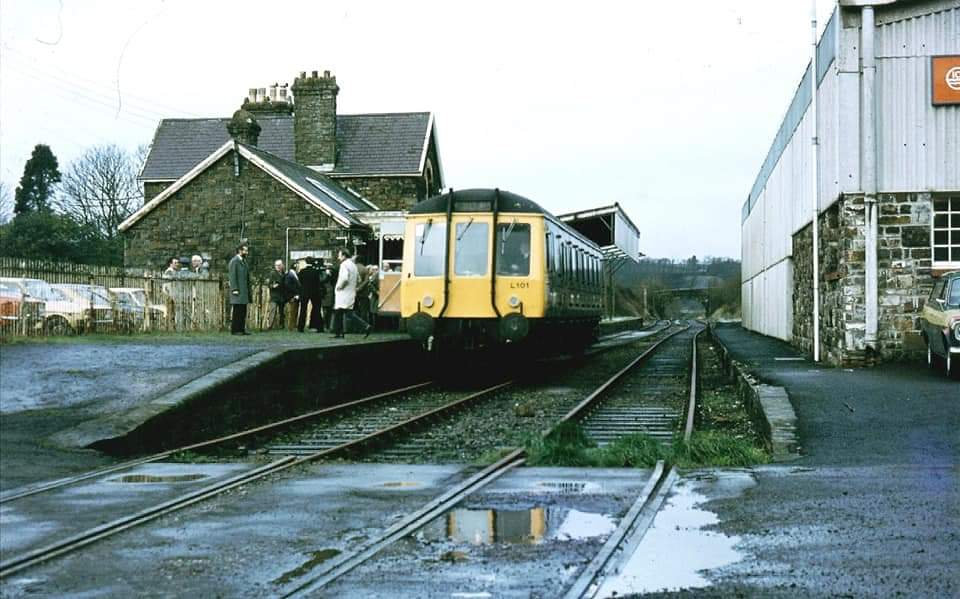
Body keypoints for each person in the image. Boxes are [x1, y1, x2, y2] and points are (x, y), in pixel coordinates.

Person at [331, 247, 371, 339]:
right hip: (351, 292)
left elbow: (344, 278)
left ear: (344, 255)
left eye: (339, 255)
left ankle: (340, 333)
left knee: (341, 312)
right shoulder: (353, 265)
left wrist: (340, 286)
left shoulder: (344, 265)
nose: (338, 257)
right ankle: (340, 333)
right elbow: (359, 279)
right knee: (345, 313)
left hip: (343, 293)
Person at [228, 244, 251, 335]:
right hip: (238, 291)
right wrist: (234, 289)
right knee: (237, 311)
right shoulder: (234, 261)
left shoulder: (244, 262)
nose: (247, 252)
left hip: (243, 291)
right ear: (240, 251)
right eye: (245, 250)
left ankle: (241, 329)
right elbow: (232, 276)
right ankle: (235, 330)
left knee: (243, 311)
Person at [297, 257, 322, 332]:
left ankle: (300, 327)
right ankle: (318, 326)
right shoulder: (315, 272)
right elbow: (318, 282)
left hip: (304, 292)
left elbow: (299, 282)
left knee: (303, 309)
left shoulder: (302, 271)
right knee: (316, 309)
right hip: (314, 292)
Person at [267, 259, 287, 329]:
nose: (277, 267)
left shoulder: (284, 274)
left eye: (279, 265)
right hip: (274, 295)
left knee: (282, 312)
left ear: (282, 266)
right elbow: (269, 284)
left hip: (282, 295)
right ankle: (270, 326)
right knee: (273, 310)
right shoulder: (272, 273)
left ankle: (282, 325)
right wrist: (273, 286)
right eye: (276, 265)